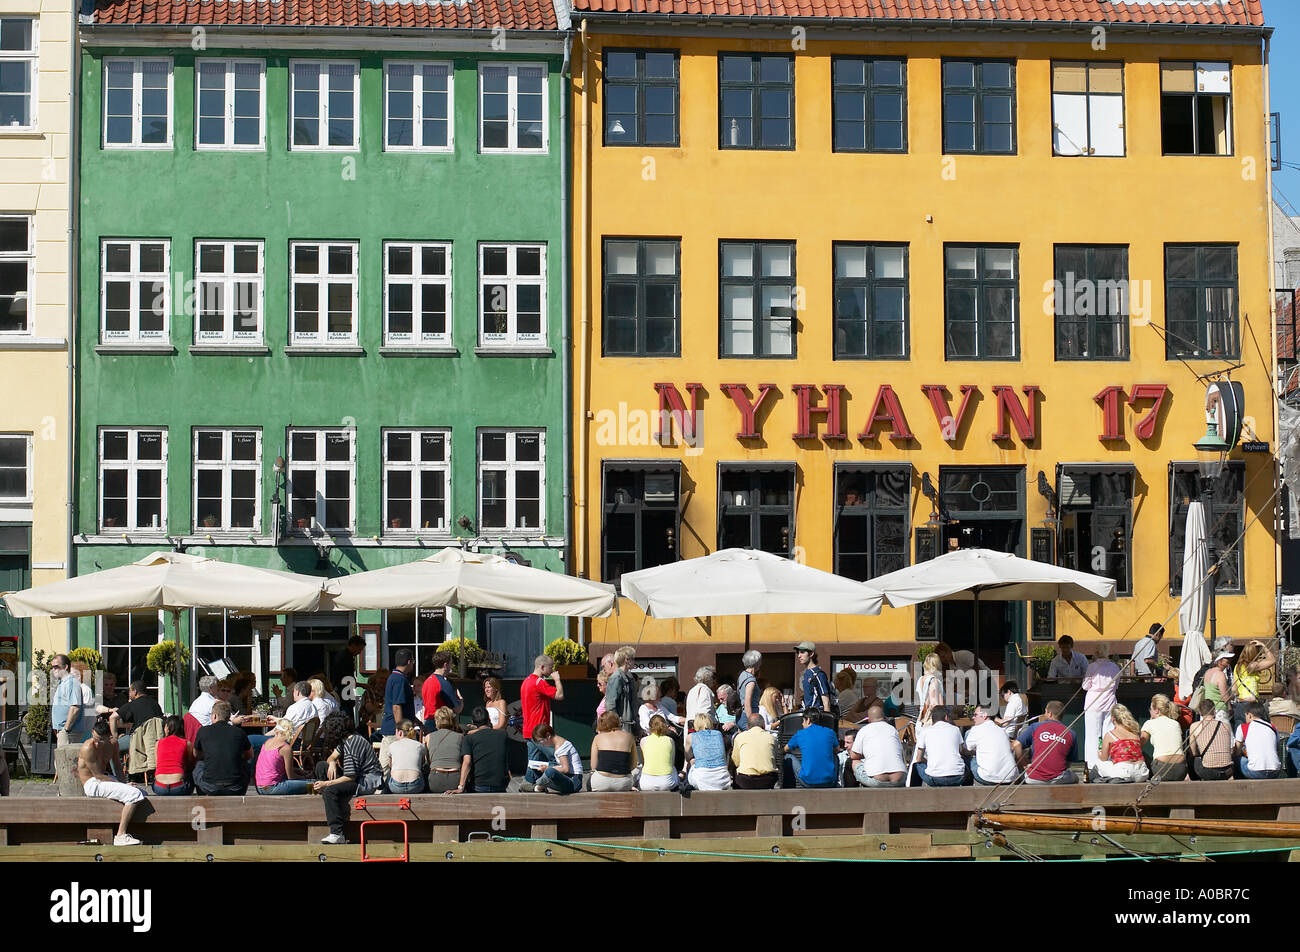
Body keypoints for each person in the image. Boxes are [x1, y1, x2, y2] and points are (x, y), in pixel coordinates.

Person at [313, 712, 383, 843]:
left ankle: (337, 833)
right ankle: (331, 799)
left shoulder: (352, 743)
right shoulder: (347, 739)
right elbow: (331, 757)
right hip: (355, 777)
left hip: (366, 781)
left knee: (329, 791)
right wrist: (332, 762)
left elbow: (350, 777)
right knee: (322, 766)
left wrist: (327, 784)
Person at [78, 718, 145, 846]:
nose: (97, 743)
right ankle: (120, 835)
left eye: (101, 741)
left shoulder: (113, 743)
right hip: (92, 783)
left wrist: (123, 783)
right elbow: (97, 775)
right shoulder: (88, 747)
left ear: (109, 737)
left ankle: (134, 828)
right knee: (133, 795)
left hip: (105, 777)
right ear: (92, 732)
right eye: (96, 739)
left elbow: (118, 768)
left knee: (140, 792)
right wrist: (123, 786)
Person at [193, 700, 252, 795]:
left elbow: (196, 754)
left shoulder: (203, 731)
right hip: (236, 787)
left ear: (214, 716)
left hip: (210, 786)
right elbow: (250, 755)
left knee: (199, 764)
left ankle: (202, 794)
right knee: (247, 763)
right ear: (229, 718)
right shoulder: (239, 732)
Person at [1014, 701, 1080, 785]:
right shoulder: (1071, 733)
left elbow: (1016, 744)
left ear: (1050, 714)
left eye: (1045, 712)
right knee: (1076, 778)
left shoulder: (1035, 727)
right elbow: (1068, 763)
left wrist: (1025, 765)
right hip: (1059, 779)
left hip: (1033, 778)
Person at [522, 654, 564, 783]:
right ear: (542, 667)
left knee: (534, 761)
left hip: (528, 730)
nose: (552, 671)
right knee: (555, 758)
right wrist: (557, 679)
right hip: (539, 731)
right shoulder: (539, 682)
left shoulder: (526, 681)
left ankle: (528, 783)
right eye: (550, 668)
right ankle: (549, 782)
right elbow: (559, 695)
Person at [1082, 643, 1121, 769]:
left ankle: (1092, 764)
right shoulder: (1115, 667)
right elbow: (1116, 686)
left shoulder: (1092, 667)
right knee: (1108, 733)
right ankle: (1107, 761)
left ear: (1096, 653)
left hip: (1093, 703)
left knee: (1092, 735)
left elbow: (1085, 686)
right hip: (1109, 702)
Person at [455, 707, 509, 794]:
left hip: (479, 786)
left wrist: (460, 787)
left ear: (473, 722)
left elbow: (467, 762)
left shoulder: (469, 738)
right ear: (489, 719)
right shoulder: (503, 735)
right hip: (500, 784)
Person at [850, 703, 907, 787]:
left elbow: (853, 756)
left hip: (877, 781)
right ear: (884, 718)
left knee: (855, 762)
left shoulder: (864, 730)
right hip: (900, 779)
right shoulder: (893, 729)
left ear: (868, 719)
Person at [1091, 703, 1149, 783]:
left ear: (1113, 719)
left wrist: (1100, 754)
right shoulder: (1135, 733)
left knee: (1099, 764)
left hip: (1124, 771)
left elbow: (1104, 758)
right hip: (1142, 772)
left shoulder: (1110, 735)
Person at [255, 718, 314, 795]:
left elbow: (275, 768)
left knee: (306, 784)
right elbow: (290, 776)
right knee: (314, 784)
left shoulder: (267, 742)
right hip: (272, 787)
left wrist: (299, 771)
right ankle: (314, 801)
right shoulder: (285, 748)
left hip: (260, 787)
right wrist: (304, 778)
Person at [964, 705, 1018, 785]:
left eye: (975, 715)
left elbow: (965, 750)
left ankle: (967, 791)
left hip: (988, 777)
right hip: (1010, 777)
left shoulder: (976, 729)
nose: (973, 718)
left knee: (965, 759)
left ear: (985, 715)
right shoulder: (1002, 731)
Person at [784, 708, 838, 789]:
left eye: (803, 721)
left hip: (807, 782)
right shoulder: (830, 732)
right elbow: (837, 750)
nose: (802, 724)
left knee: (787, 756)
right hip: (829, 782)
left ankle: (788, 790)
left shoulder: (800, 734)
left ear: (808, 720)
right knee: (836, 757)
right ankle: (835, 785)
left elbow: (786, 749)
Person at [914, 706, 968, 787]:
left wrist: (929, 762)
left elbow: (918, 759)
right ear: (946, 717)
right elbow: (961, 751)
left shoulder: (925, 731)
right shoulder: (955, 729)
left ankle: (915, 793)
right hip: (957, 777)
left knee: (917, 765)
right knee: (967, 763)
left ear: (932, 719)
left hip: (934, 778)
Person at [108, 680, 163, 755]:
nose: (129, 693)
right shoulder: (155, 704)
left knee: (112, 748)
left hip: (137, 739)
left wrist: (115, 738)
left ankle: (117, 767)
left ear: (135, 691)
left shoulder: (133, 704)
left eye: (130, 691)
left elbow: (112, 717)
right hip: (155, 739)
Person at [1141, 694, 1187, 781]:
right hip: (1181, 769)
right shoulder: (1175, 723)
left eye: (1150, 709)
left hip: (1161, 769)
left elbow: (1140, 744)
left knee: (1142, 754)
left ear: (1157, 710)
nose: (1149, 711)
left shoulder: (1149, 723)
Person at [590, 710, 638, 791]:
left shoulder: (598, 738)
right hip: (623, 782)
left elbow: (593, 766)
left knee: (590, 781)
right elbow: (633, 764)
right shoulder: (629, 737)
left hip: (601, 781)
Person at [424, 706, 469, 793]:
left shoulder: (428, 737)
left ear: (437, 721)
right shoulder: (461, 737)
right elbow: (465, 761)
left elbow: (427, 761)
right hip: (455, 780)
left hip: (435, 780)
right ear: (452, 720)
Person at [1233, 640, 1277, 727]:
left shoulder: (1237, 666)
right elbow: (1272, 660)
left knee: (1240, 733)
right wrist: (1264, 646)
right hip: (1251, 705)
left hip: (1240, 704)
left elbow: (1235, 689)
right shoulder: (1252, 666)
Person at [683, 713, 732, 791]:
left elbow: (687, 757)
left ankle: (687, 784)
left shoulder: (691, 736)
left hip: (702, 779)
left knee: (691, 762)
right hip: (722, 779)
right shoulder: (718, 734)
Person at [530, 724, 583, 795]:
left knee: (550, 771)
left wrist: (548, 768)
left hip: (573, 782)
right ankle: (540, 784)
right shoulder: (558, 743)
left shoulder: (560, 746)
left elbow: (565, 769)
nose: (541, 744)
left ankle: (538, 786)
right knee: (546, 765)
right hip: (569, 776)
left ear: (548, 735)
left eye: (541, 741)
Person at [1188, 700, 1234, 781]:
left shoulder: (1195, 726)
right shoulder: (1226, 725)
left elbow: (1193, 752)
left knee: (1191, 758)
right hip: (1228, 770)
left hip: (1208, 771)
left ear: (1200, 712)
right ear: (1214, 711)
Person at [1233, 703, 1282, 779]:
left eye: (1245, 716)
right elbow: (1277, 747)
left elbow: (1237, 752)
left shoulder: (1243, 727)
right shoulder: (1272, 727)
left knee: (1235, 760)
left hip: (1256, 772)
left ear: (1249, 715)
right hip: (1275, 771)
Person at [381, 649, 416, 754]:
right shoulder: (399, 679)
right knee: (391, 765)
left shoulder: (394, 677)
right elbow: (396, 707)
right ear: (409, 662)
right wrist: (401, 730)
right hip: (395, 732)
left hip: (393, 729)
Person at [730, 714, 778, 789]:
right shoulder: (771, 738)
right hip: (767, 780)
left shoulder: (740, 737)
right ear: (764, 725)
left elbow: (735, 761)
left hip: (745, 781)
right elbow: (775, 757)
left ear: (747, 726)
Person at [380, 719, 427, 795]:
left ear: (400, 732)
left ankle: (383, 795)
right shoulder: (419, 745)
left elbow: (390, 765)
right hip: (415, 786)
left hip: (396, 786)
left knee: (389, 774)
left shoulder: (392, 746)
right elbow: (422, 764)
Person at [152, 714, 194, 796]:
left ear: (167, 728)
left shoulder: (158, 743)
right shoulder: (186, 743)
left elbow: (157, 764)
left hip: (159, 787)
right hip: (179, 787)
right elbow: (190, 764)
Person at [421, 652, 464, 731]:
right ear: (445, 665)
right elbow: (457, 709)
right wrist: (461, 700)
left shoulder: (426, 682)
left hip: (427, 722)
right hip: (440, 723)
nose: (451, 667)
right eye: (450, 664)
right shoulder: (443, 683)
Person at [51, 654, 86, 748]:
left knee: (65, 762)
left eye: (56, 667)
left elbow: (75, 708)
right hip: (64, 731)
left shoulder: (72, 683)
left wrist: (65, 729)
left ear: (66, 667)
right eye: (52, 667)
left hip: (70, 732)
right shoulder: (63, 683)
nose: (53, 670)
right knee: (61, 761)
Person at [637, 714, 679, 791]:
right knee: (673, 768)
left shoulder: (643, 740)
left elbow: (644, 761)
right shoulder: (670, 740)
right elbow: (672, 763)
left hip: (646, 783)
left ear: (650, 727)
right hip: (666, 782)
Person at [796, 642, 834, 715]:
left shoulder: (819, 674)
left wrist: (826, 721)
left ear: (811, 654)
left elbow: (826, 702)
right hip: (808, 715)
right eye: (798, 653)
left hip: (817, 716)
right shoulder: (806, 673)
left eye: (802, 652)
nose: (799, 656)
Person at [605, 646, 636, 735]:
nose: (634, 661)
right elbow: (610, 705)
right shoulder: (616, 678)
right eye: (633, 659)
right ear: (627, 660)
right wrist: (615, 726)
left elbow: (633, 704)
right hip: (620, 727)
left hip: (628, 725)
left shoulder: (629, 677)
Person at [1202, 650, 1234, 723]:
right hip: (1219, 710)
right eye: (1226, 658)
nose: (1229, 660)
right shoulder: (1220, 674)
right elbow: (1225, 697)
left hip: (1207, 709)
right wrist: (1232, 696)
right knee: (1224, 732)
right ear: (1220, 660)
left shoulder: (1208, 672)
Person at [915, 652, 944, 728]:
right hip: (932, 723)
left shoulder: (920, 679)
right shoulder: (935, 681)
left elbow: (917, 704)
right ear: (937, 664)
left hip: (920, 721)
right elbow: (936, 705)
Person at [737, 649, 763, 726]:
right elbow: (747, 702)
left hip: (741, 716)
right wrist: (751, 724)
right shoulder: (750, 680)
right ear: (757, 662)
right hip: (748, 716)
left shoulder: (742, 675)